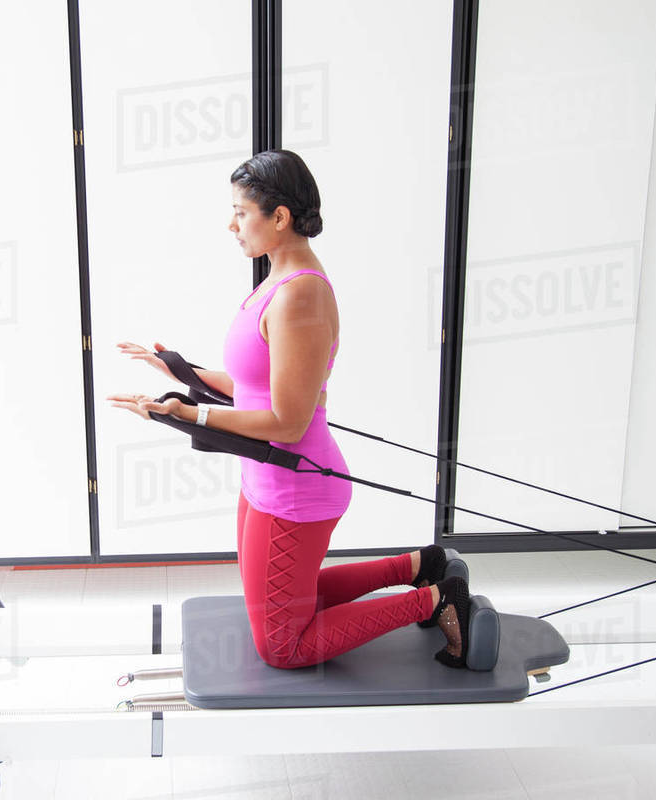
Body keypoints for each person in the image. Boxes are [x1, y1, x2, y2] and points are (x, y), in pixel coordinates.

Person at [109, 149, 472, 670]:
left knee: (283, 647)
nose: (230, 224)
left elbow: (287, 421)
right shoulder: (277, 281)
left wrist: (190, 415)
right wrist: (181, 374)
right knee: (281, 601)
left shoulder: (299, 295)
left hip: (296, 488)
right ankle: (423, 565)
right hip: (264, 480)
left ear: (278, 217)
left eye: (240, 211)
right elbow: (253, 387)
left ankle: (437, 600)